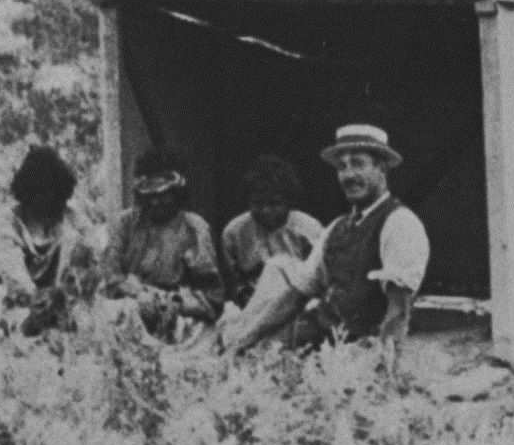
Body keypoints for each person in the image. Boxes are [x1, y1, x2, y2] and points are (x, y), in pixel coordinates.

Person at [218, 124, 430, 373]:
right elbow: (296, 294)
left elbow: (398, 312)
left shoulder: (399, 223)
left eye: (358, 164)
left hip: (360, 356)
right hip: (321, 345)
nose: (348, 175)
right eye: (342, 166)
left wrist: (383, 373)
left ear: (382, 167)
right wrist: (245, 338)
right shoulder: (337, 228)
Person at [96, 150, 225, 342]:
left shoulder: (194, 228)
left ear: (176, 193)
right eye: (149, 195)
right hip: (130, 313)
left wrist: (171, 303)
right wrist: (136, 293)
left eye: (163, 194)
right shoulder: (126, 223)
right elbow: (110, 276)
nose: (155, 202)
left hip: (179, 319)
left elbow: (213, 297)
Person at [0, 145, 94, 338]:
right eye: (39, 193)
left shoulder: (74, 220)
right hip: (26, 303)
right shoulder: (11, 222)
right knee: (24, 331)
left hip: (67, 301)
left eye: (52, 192)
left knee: (86, 327)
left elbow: (93, 258)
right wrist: (37, 298)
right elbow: (12, 269)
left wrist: (65, 292)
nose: (46, 199)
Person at [217, 155, 325, 307]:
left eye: (274, 203)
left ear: (289, 201)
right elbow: (231, 284)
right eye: (258, 203)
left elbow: (319, 280)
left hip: (299, 305)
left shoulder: (309, 229)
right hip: (251, 305)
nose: (266, 210)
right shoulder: (234, 232)